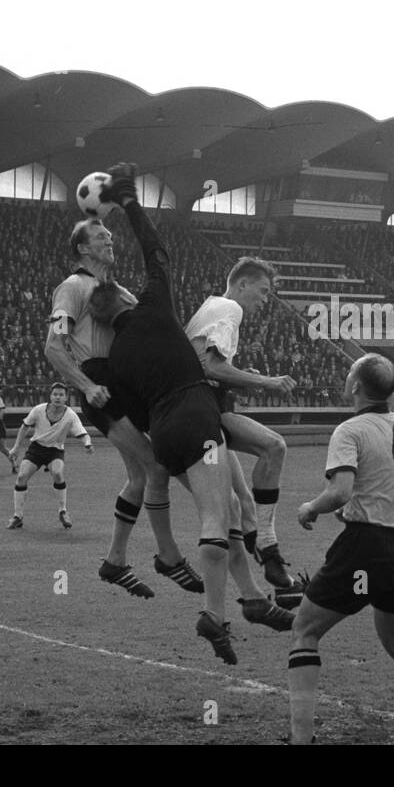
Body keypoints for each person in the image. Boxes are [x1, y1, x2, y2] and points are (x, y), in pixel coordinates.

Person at [87, 165, 275, 664]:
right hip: (195, 414)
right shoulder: (152, 305)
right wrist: (129, 201)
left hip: (163, 434)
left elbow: (123, 408)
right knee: (219, 515)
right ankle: (215, 614)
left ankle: (253, 597)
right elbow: (157, 253)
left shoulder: (116, 360)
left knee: (231, 510)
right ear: (126, 299)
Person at [286, 353, 394, 745]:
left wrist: (311, 508)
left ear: (357, 386)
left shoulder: (350, 430)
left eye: (349, 374)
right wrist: (366, 503)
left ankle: (300, 739)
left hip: (366, 549)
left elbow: (340, 490)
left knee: (305, 629)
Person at [46, 216, 201, 598]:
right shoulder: (72, 288)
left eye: (111, 235)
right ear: (83, 248)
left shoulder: (116, 291)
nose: (110, 240)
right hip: (101, 385)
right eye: (101, 237)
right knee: (156, 464)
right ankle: (169, 556)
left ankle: (115, 562)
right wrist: (86, 385)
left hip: (123, 383)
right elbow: (54, 346)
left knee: (140, 478)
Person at [184, 258, 298, 588]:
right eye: (263, 292)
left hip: (201, 408)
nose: (265, 300)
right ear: (242, 284)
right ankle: (267, 551)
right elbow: (210, 368)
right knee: (274, 447)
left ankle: (267, 577)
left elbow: (205, 364)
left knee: (242, 502)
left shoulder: (211, 307)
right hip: (202, 412)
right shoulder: (230, 309)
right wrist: (267, 382)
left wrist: (245, 378)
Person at [7, 382, 93, 530]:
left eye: (61, 395)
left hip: (55, 451)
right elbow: (25, 426)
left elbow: (82, 433)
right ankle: (17, 516)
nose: (57, 397)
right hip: (36, 449)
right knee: (21, 477)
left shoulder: (70, 415)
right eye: (55, 394)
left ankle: (63, 511)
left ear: (66, 398)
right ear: (50, 396)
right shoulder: (39, 410)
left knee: (58, 473)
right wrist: (16, 447)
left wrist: (87, 443)